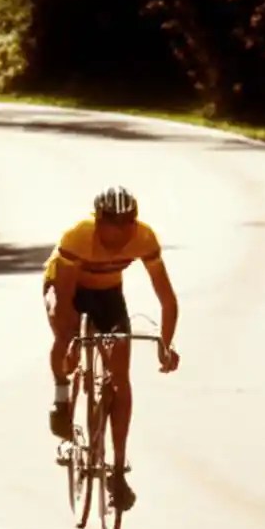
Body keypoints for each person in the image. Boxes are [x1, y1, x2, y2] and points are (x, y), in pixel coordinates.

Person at [42, 185, 180, 511]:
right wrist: (71, 341)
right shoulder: (78, 236)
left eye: (126, 223)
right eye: (111, 224)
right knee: (64, 338)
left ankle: (117, 471)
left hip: (108, 295)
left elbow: (166, 298)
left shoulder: (145, 238)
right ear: (98, 220)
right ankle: (62, 397)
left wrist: (166, 343)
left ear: (135, 222)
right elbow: (63, 301)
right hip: (68, 289)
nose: (118, 232)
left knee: (121, 378)